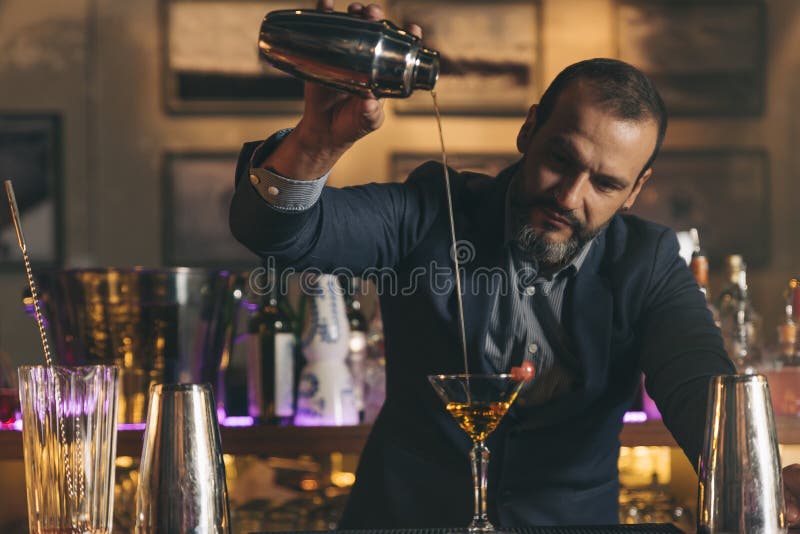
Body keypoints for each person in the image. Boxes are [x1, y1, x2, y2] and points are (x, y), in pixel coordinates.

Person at [231, 1, 800, 527]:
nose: (571, 196)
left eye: (605, 183)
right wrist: (315, 142)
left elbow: (699, 383)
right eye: (561, 158)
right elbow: (278, 232)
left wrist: (760, 476)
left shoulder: (646, 261)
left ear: (635, 191)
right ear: (530, 130)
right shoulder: (432, 210)